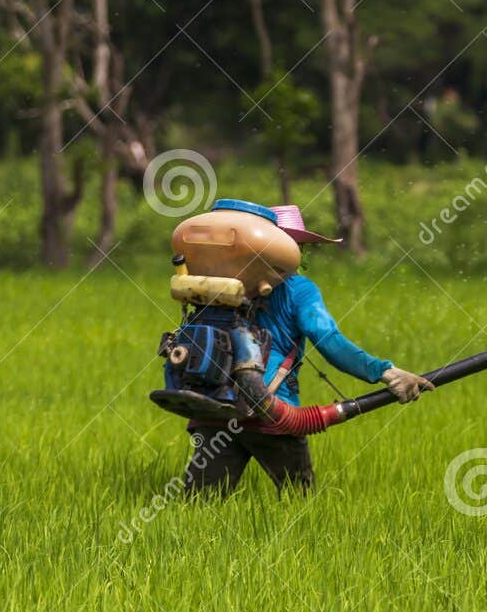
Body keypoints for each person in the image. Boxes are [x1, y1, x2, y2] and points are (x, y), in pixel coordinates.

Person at [182, 202, 434, 494]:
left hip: (214, 409)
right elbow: (328, 340)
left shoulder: (212, 286)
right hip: (272, 411)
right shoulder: (299, 289)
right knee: (298, 501)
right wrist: (385, 372)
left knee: (201, 503)